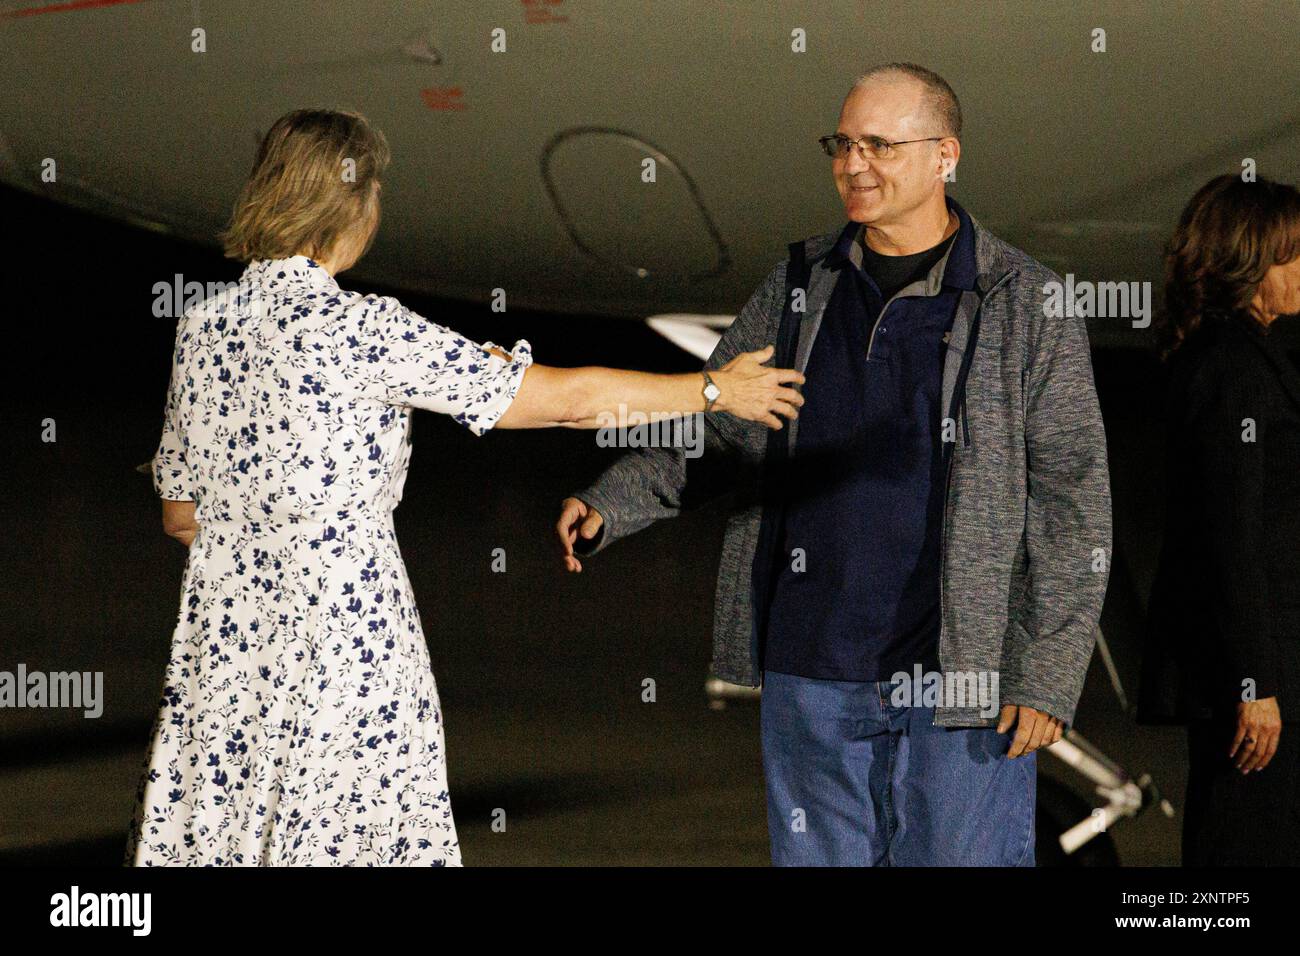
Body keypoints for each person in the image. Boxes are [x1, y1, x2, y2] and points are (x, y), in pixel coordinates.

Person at [127, 107, 804, 866]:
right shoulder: (364, 328)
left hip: (222, 649)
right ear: (350, 207)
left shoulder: (205, 327)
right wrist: (711, 392)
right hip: (342, 644)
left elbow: (180, 514)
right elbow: (569, 402)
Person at [557, 63, 1111, 866]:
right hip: (811, 673)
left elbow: (1073, 501)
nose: (854, 164)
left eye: (880, 145)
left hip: (962, 681)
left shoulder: (1027, 302)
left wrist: (1047, 673)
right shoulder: (797, 286)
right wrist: (616, 499)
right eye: (842, 144)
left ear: (945, 156)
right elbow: (723, 423)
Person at [1141, 174, 1300, 866]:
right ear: (1247, 264)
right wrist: (1255, 685)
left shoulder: (1243, 356)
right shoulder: (1232, 366)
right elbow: (1230, 535)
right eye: (1290, 255)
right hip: (1254, 679)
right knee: (1241, 844)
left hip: (1263, 668)